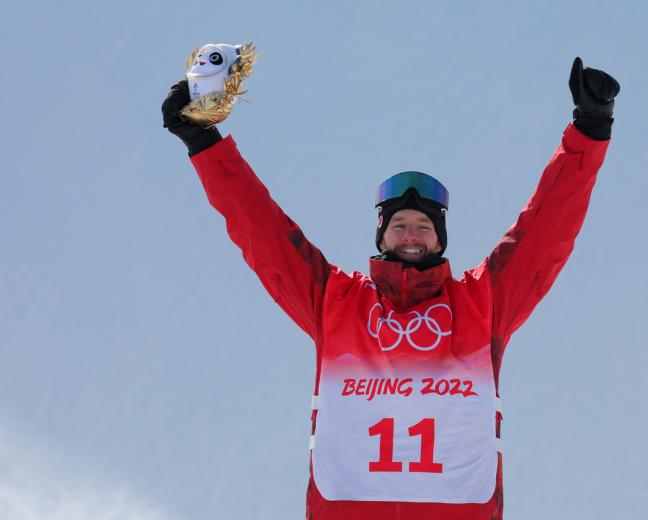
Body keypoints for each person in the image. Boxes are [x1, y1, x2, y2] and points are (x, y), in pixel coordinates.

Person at [162, 56, 620, 520]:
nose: (411, 235)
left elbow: (544, 233)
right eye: (399, 225)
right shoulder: (335, 301)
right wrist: (203, 143)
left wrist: (589, 130)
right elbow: (262, 231)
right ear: (381, 236)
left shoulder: (483, 304)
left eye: (423, 225)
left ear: (440, 238)